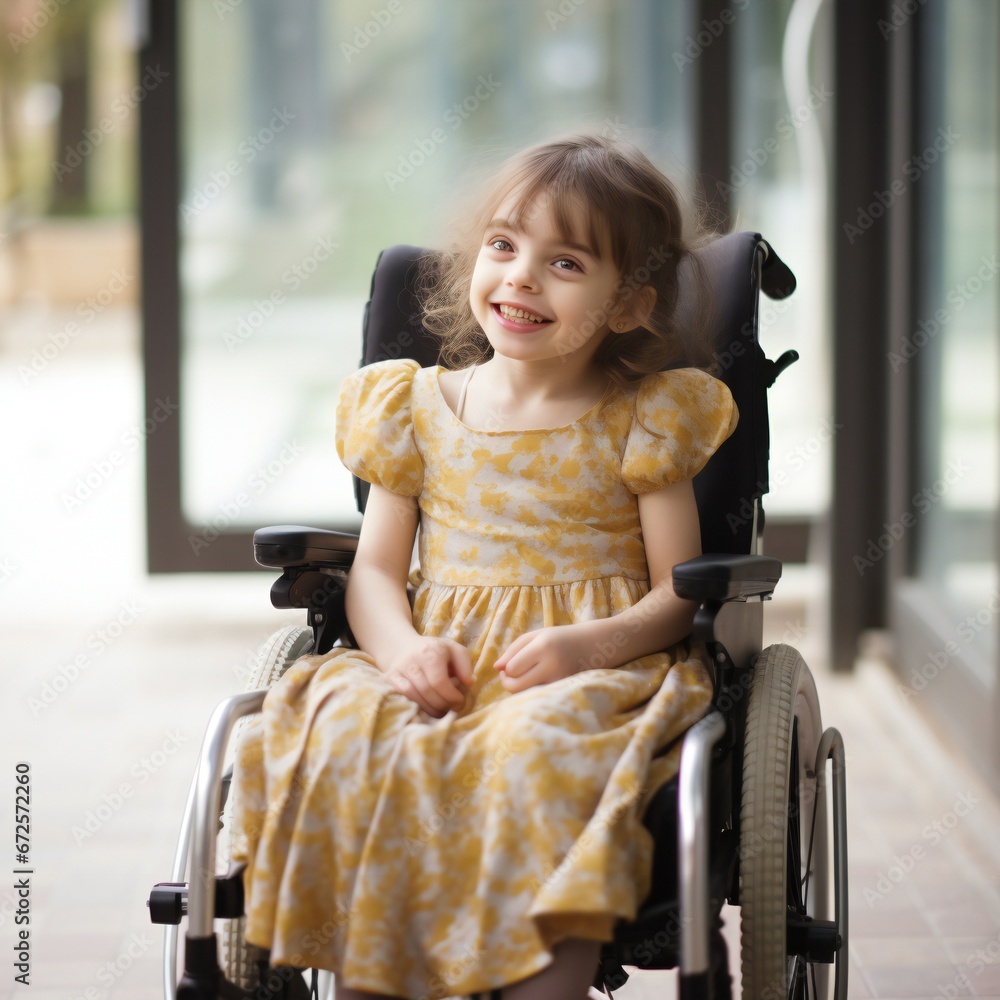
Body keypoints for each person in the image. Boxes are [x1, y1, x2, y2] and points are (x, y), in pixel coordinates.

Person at [230, 133, 738, 1000]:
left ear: (626, 304)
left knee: (533, 748)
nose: (522, 278)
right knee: (353, 732)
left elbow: (675, 597)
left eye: (565, 262)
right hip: (436, 658)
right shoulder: (416, 408)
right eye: (504, 246)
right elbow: (378, 577)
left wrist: (586, 646)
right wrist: (401, 653)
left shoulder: (646, 419)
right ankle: (373, 976)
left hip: (586, 667)